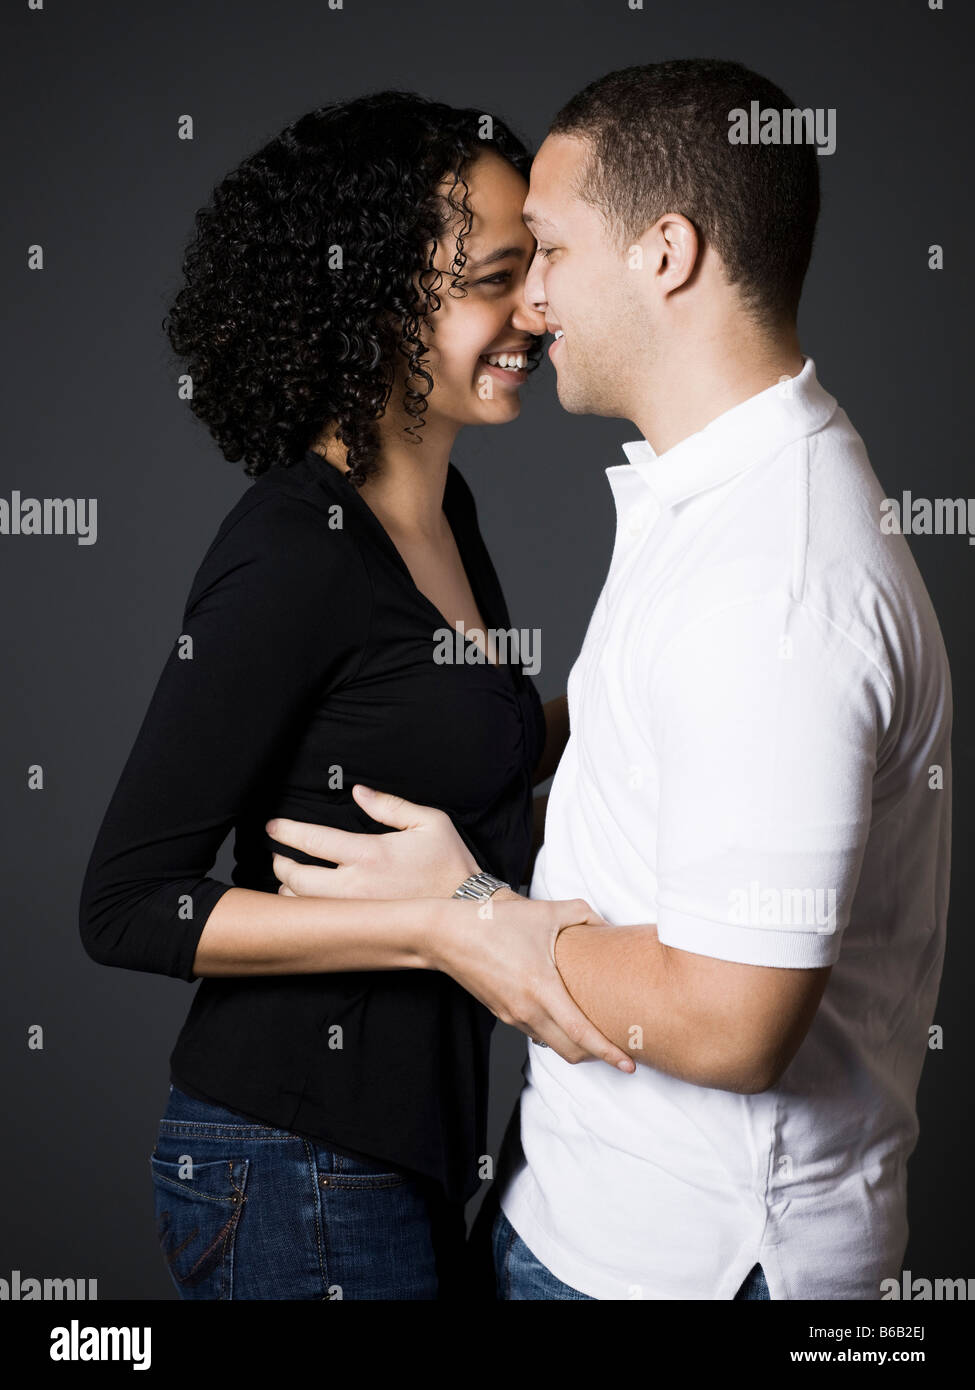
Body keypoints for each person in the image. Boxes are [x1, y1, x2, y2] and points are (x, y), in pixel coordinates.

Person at [267, 60, 952, 1300]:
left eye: (550, 248)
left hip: (689, 1270)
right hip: (581, 1211)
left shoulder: (774, 580)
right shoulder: (712, 502)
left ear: (667, 253)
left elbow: (731, 1018)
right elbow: (668, 745)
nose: (528, 299)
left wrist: (465, 908)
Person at [77, 89, 634, 1303]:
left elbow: (464, 763)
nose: (539, 305)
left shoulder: (443, 505)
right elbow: (123, 906)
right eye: (499, 275)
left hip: (405, 1148)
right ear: (381, 304)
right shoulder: (293, 548)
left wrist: (627, 689)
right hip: (289, 1162)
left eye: (538, 265)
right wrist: (439, 923)